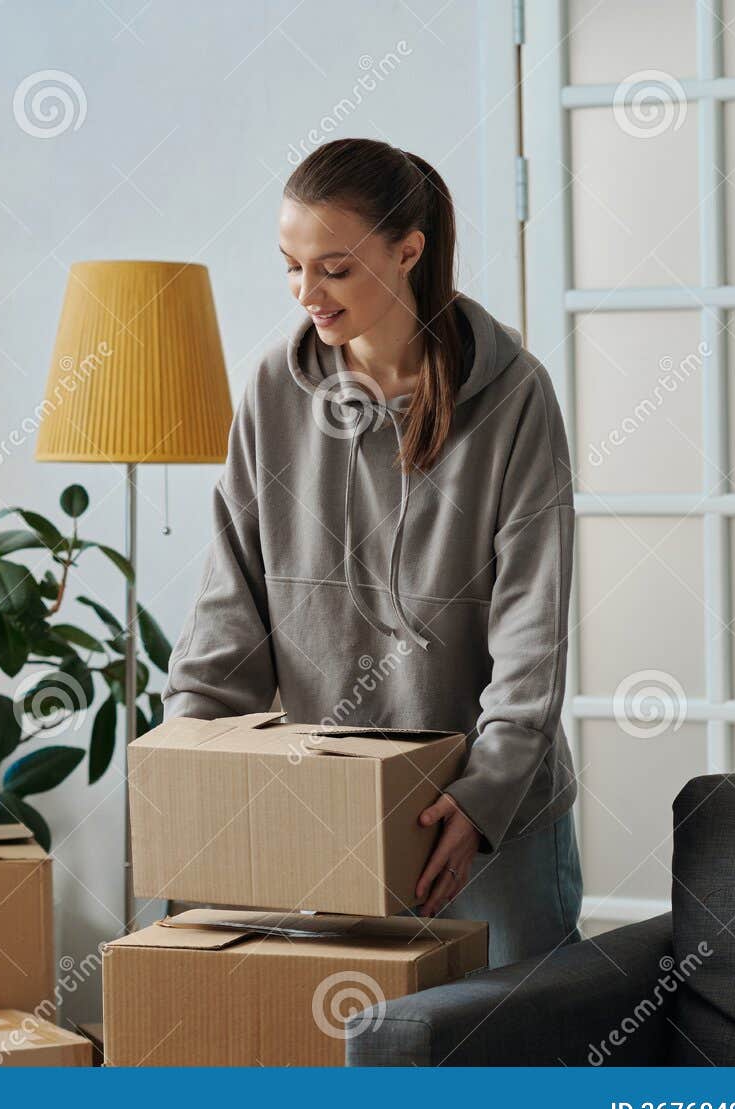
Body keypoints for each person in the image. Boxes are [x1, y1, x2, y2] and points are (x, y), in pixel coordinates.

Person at [160, 137, 581, 968]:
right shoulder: (273, 394)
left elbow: (533, 633)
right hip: (328, 813)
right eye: (290, 265)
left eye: (335, 268)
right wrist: (184, 765)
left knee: (505, 1076)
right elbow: (228, 613)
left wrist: (484, 796)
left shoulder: (515, 397)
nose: (305, 293)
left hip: (482, 825)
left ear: (409, 252)